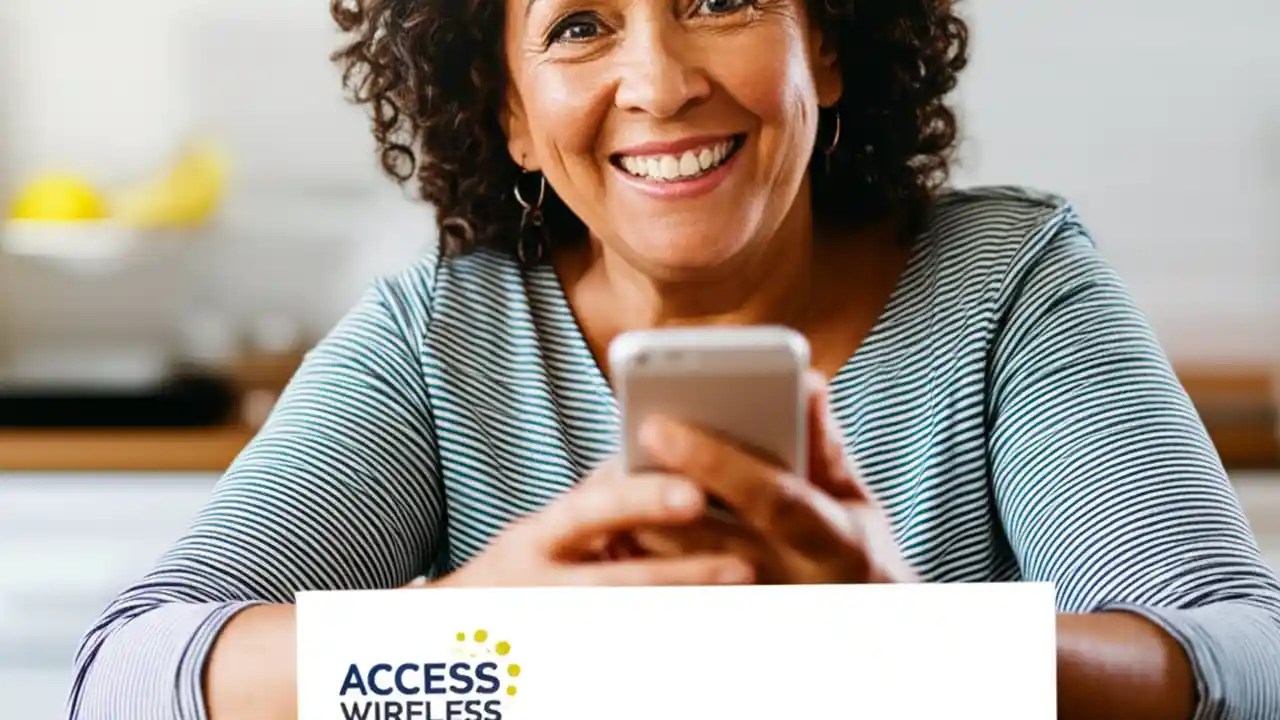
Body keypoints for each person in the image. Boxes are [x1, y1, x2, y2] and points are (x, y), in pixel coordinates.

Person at [68, 0, 1280, 718]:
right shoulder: (437, 343)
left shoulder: (1005, 285)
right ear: (508, 113)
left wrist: (914, 652)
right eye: (580, 24)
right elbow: (122, 677)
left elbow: (1245, 659)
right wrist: (462, 641)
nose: (660, 82)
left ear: (831, 42)